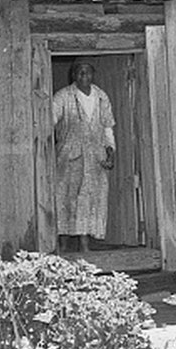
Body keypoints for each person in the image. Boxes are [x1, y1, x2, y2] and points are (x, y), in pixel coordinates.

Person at [52, 61, 115, 253]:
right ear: (73, 76)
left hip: (96, 157)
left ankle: (85, 245)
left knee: (90, 199)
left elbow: (108, 128)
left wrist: (110, 153)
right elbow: (49, 120)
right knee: (66, 198)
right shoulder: (63, 96)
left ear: (92, 75)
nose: (83, 76)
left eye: (87, 73)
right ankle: (61, 245)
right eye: (79, 73)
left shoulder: (101, 97)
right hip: (69, 156)